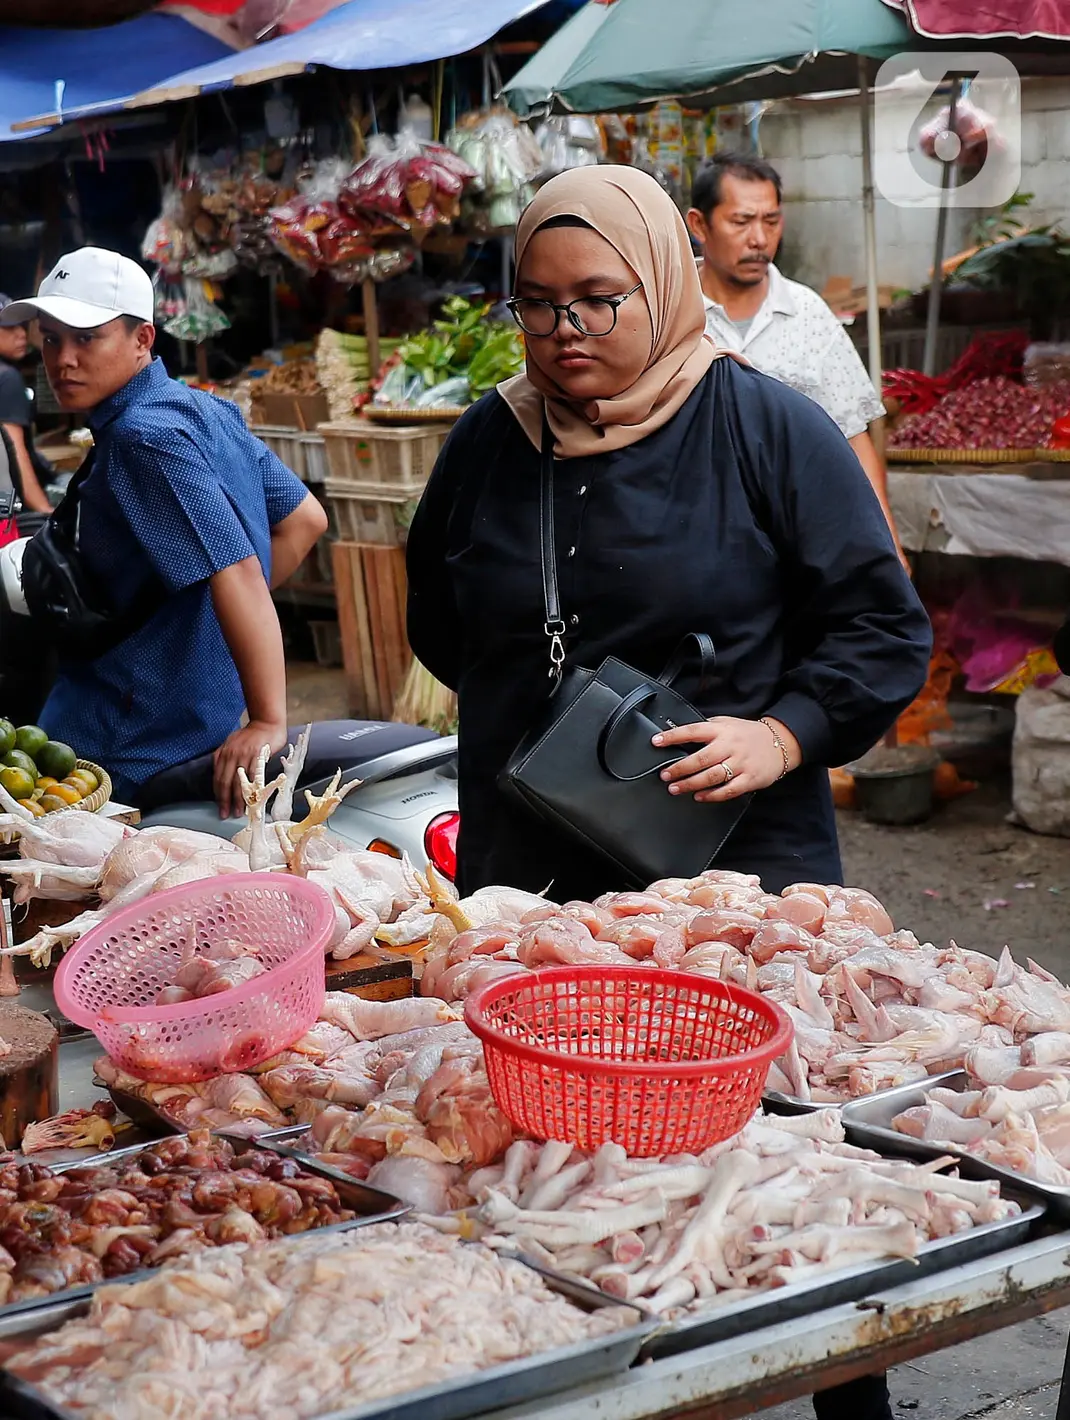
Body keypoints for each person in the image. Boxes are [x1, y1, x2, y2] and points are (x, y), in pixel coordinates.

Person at [406, 166, 931, 1420]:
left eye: (598, 298)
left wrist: (782, 731)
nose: (563, 331)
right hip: (536, 870)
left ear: (664, 283)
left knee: (776, 1154)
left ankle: (846, 1395)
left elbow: (880, 626)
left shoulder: (762, 427)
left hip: (731, 870)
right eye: (536, 304)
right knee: (556, 1164)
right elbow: (441, 620)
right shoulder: (488, 441)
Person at [0, 247, 327, 817]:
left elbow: (238, 572)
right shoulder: (203, 409)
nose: (64, 360)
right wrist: (210, 628)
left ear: (143, 339)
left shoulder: (141, 439)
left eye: (87, 338)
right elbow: (304, 522)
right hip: (188, 717)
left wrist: (268, 720)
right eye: (51, 339)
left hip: (125, 739)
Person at [686, 152, 907, 565]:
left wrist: (888, 547)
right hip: (697, 543)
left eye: (771, 221)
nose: (759, 239)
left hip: (801, 545)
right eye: (741, 221)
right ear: (699, 226)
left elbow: (853, 438)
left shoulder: (808, 314)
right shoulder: (673, 315)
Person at [0, 295, 51, 516]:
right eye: (9, 328)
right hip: (14, 507)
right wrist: (44, 511)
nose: (21, 334)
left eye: (22, 326)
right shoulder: (7, 378)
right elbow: (14, 451)